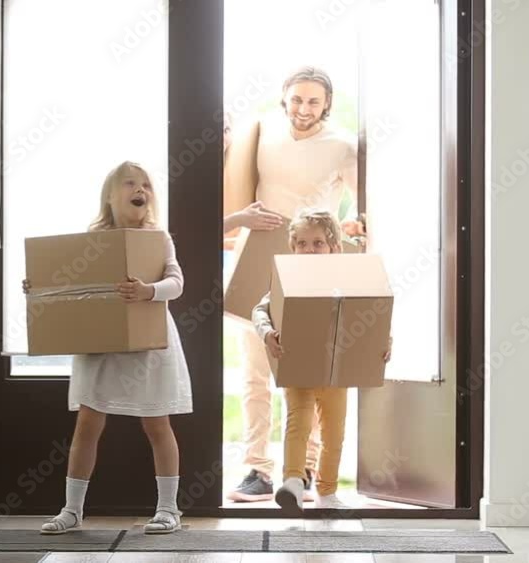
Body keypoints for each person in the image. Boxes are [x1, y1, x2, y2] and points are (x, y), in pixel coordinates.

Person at [25, 161, 193, 535]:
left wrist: (149, 291)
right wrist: (39, 286)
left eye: (146, 185)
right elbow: (74, 289)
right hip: (101, 344)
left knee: (156, 421)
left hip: (149, 343)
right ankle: (71, 510)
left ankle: (169, 509)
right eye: (131, 183)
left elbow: (176, 282)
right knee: (87, 423)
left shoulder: (158, 238)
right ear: (110, 196)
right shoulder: (92, 240)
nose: (141, 190)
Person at [223, 66, 360, 502]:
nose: (303, 108)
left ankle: (305, 471)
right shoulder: (263, 131)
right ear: (285, 100)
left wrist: (352, 228)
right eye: (296, 99)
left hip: (311, 263)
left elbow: (360, 207)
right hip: (260, 253)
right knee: (256, 371)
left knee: (309, 371)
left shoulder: (342, 146)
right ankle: (258, 468)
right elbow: (236, 180)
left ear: (327, 104)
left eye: (313, 101)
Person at [252, 209, 392, 512]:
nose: (309, 249)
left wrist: (381, 343)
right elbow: (260, 310)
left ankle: (326, 492)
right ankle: (292, 481)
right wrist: (267, 333)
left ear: (334, 248)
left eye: (317, 243)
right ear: (292, 249)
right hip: (299, 366)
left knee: (334, 433)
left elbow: (371, 315)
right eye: (301, 244)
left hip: (336, 372)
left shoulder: (347, 282)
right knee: (298, 422)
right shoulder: (288, 281)